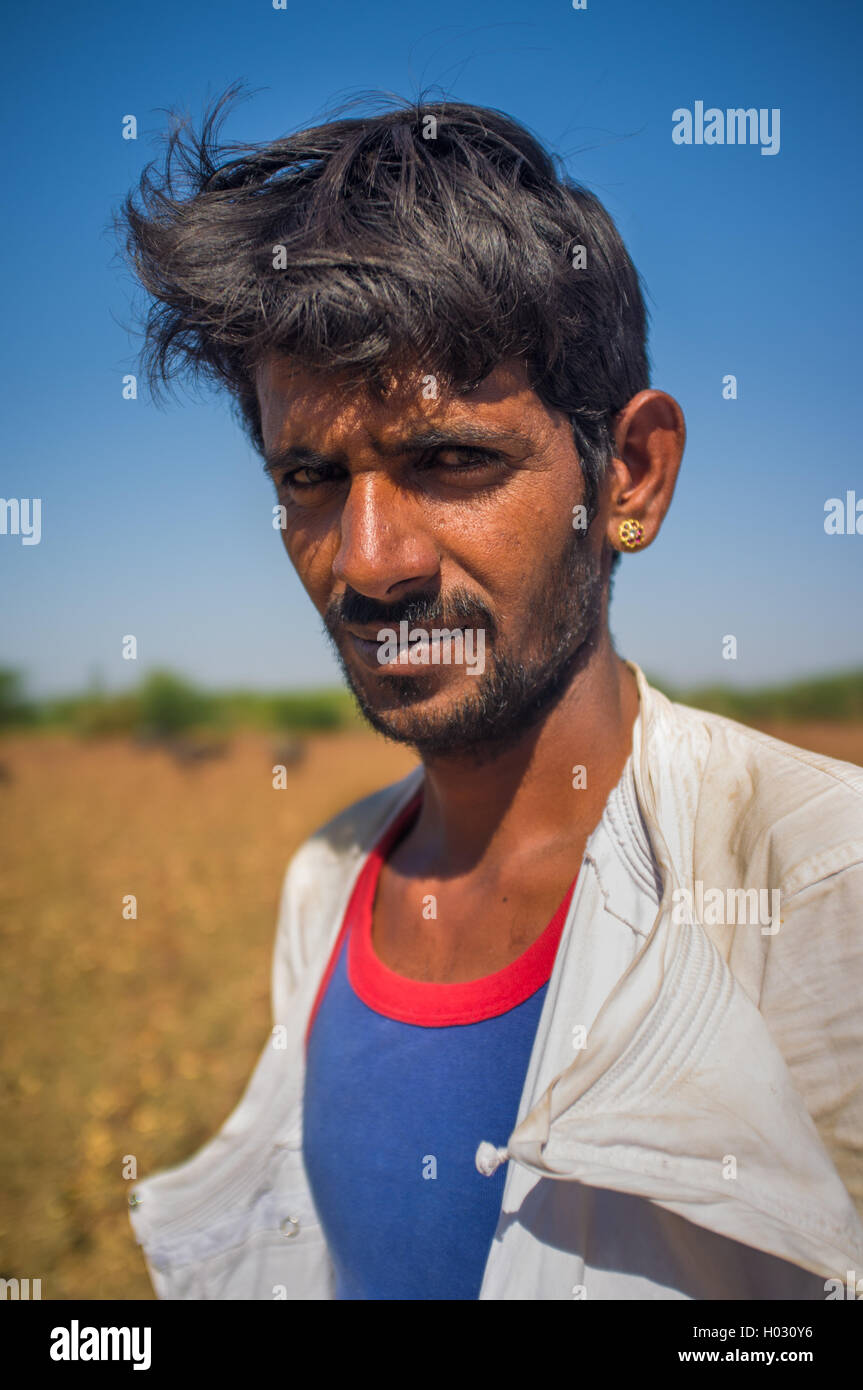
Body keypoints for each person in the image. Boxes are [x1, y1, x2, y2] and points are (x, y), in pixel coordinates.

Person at [119, 93, 863, 1300]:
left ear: (628, 475)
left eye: (450, 459)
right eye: (309, 476)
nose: (367, 560)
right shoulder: (327, 884)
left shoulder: (825, 889)